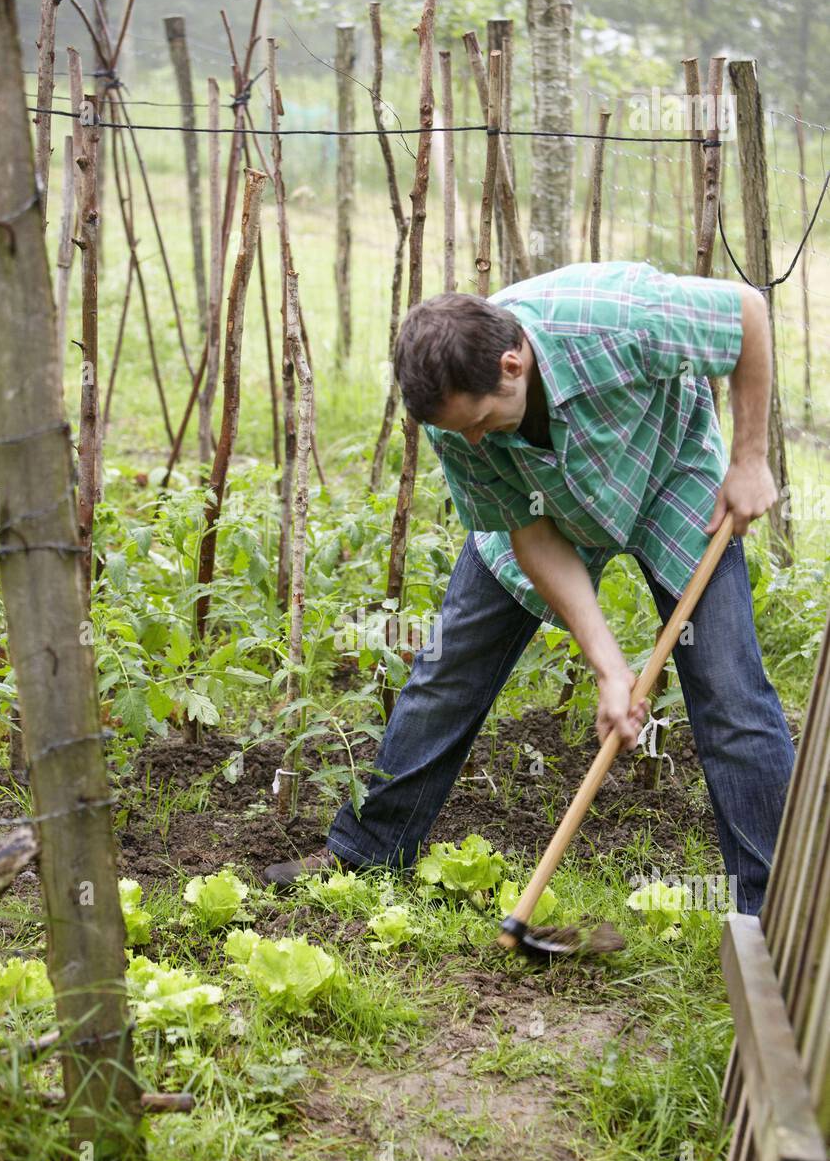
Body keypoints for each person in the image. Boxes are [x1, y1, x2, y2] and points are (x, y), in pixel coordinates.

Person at [265, 261, 795, 917]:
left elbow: (745, 311)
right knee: (450, 666)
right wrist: (608, 669)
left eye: (482, 422)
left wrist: (748, 458)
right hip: (543, 500)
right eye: (460, 431)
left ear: (513, 364)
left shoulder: (620, 317)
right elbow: (531, 534)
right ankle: (370, 852)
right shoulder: (457, 419)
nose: (472, 441)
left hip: (667, 478)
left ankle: (774, 905)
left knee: (729, 689)